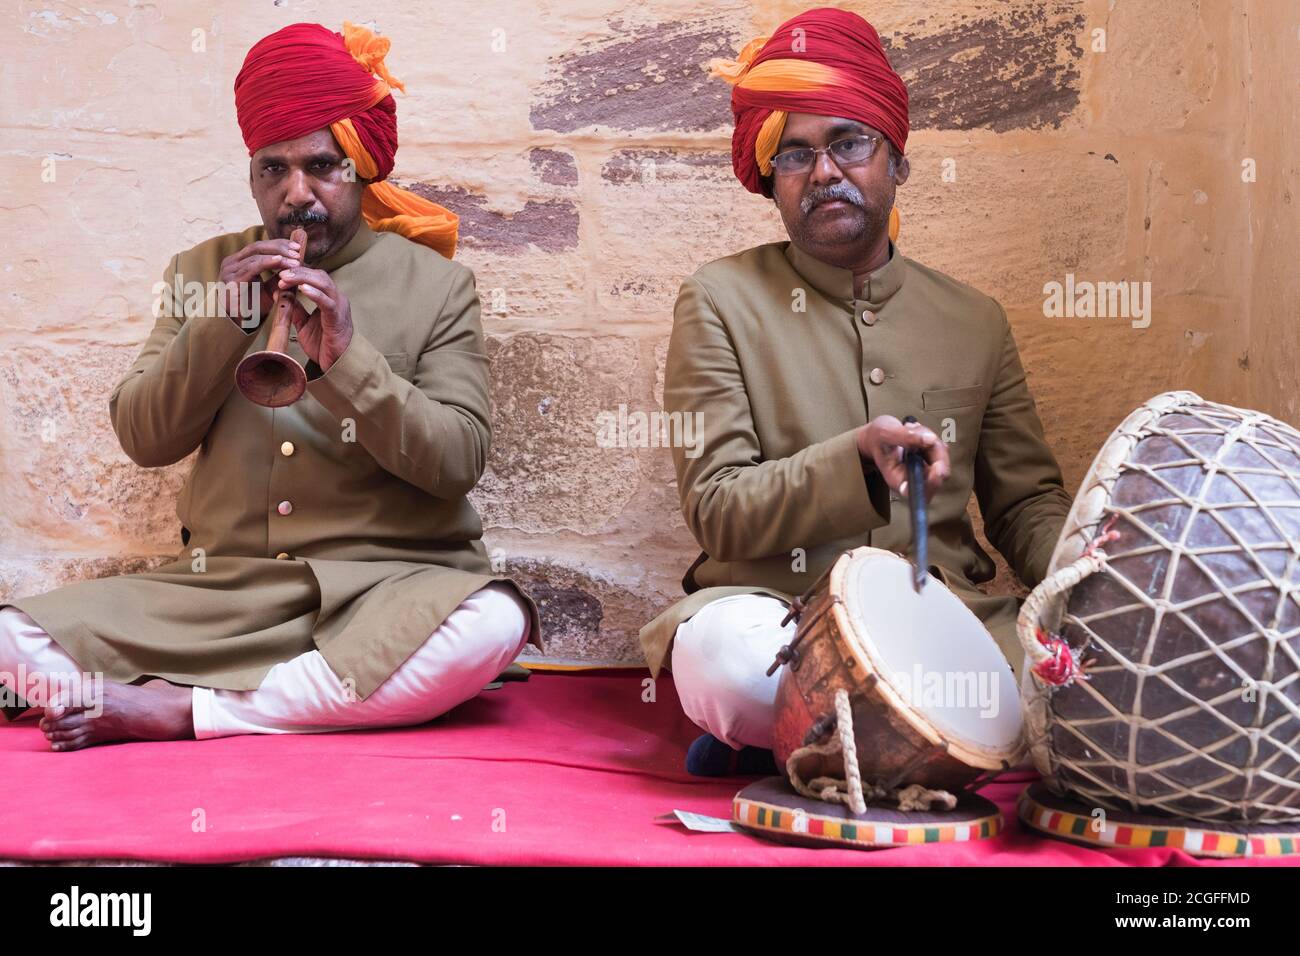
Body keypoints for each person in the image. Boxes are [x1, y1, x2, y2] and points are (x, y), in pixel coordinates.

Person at [0, 21, 541, 750]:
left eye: (322, 166)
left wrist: (349, 361)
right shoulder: (201, 272)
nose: (297, 196)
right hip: (222, 595)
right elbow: (144, 437)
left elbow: (456, 463)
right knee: (10, 636)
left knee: (492, 623)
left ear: (359, 167)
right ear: (252, 176)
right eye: (272, 170)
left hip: (383, 590)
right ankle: (290, 699)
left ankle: (185, 711)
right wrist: (221, 323)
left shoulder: (438, 286)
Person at [639, 8, 1072, 775]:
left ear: (896, 160)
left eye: (848, 142)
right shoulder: (718, 301)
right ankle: (853, 732)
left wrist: (1093, 576)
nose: (825, 171)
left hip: (942, 616)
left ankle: (813, 741)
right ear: (770, 178)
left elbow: (1023, 503)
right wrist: (857, 465)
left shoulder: (973, 320)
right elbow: (718, 509)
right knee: (722, 661)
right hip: (780, 614)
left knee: (1081, 683)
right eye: (795, 155)